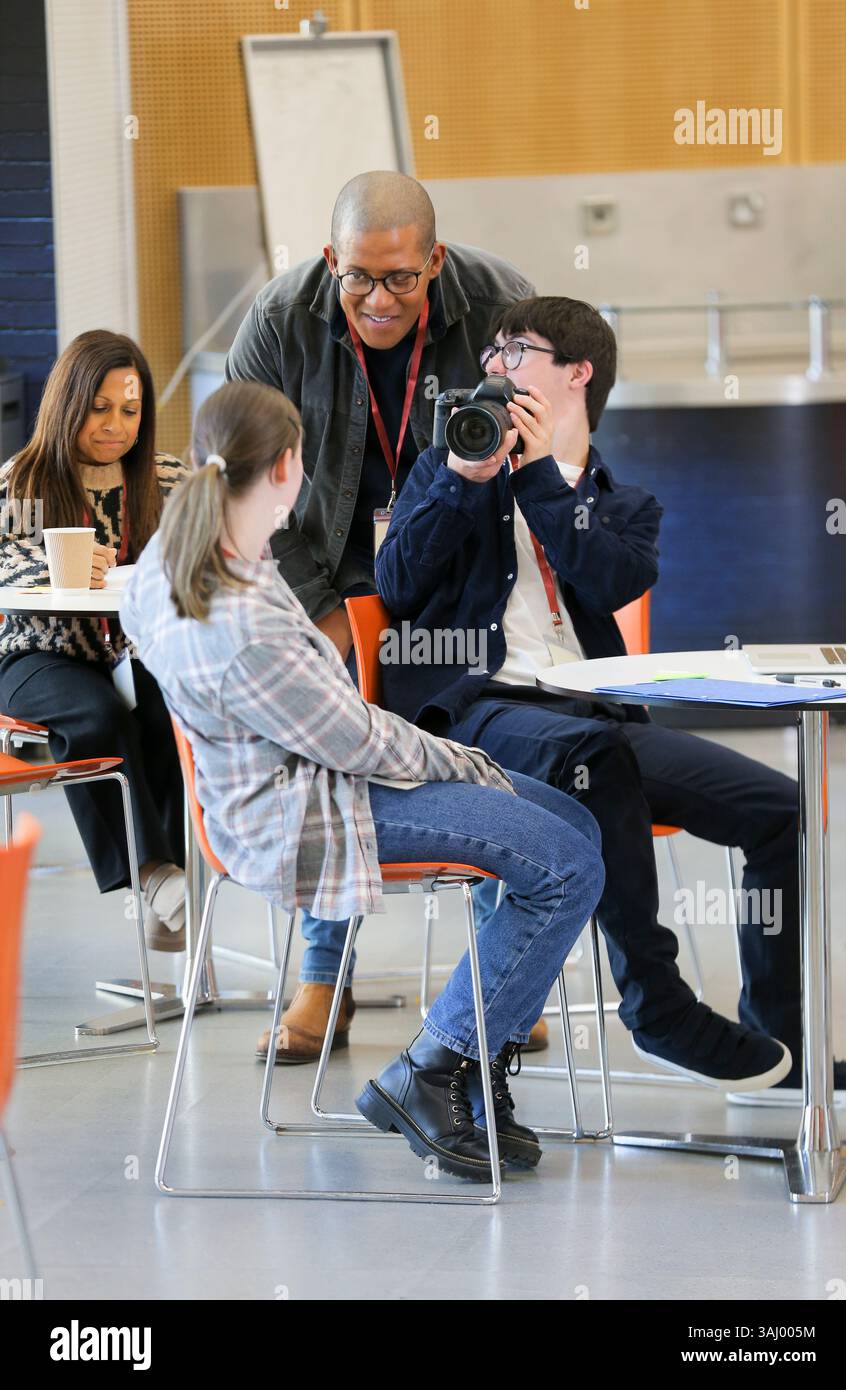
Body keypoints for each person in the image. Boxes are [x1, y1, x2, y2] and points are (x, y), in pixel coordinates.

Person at [120, 380, 606, 1180]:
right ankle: (438, 1067)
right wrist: (467, 762)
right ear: (286, 468)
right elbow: (354, 740)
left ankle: (473, 1074)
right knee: (567, 863)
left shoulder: (182, 564)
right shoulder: (240, 624)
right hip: (309, 815)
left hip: (310, 790)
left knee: (573, 830)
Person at [374, 294, 846, 1103]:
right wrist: (464, 481)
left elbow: (611, 578)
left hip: (590, 717)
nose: (492, 364)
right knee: (597, 760)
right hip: (479, 714)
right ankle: (656, 1004)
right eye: (490, 350)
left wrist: (538, 481)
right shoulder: (445, 465)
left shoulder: (624, 506)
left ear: (578, 372)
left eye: (515, 349)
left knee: (784, 810)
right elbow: (396, 583)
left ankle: (783, 1045)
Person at [227, 168, 555, 1058]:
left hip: (456, 555)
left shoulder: (499, 303)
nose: (378, 299)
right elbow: (249, 483)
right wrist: (326, 614)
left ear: (435, 261)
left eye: (401, 279)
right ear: (331, 259)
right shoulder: (278, 322)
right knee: (329, 754)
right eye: (357, 278)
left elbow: (552, 430)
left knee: (487, 735)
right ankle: (322, 984)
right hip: (324, 560)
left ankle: (504, 985)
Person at [0, 330, 188, 951]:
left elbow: (212, 552)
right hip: (35, 655)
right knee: (98, 714)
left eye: (130, 411)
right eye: (99, 409)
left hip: (134, 652)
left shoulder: (164, 480)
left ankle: (172, 878)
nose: (114, 426)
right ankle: (153, 874)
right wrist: (54, 570)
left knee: (177, 706)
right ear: (67, 404)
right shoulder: (23, 481)